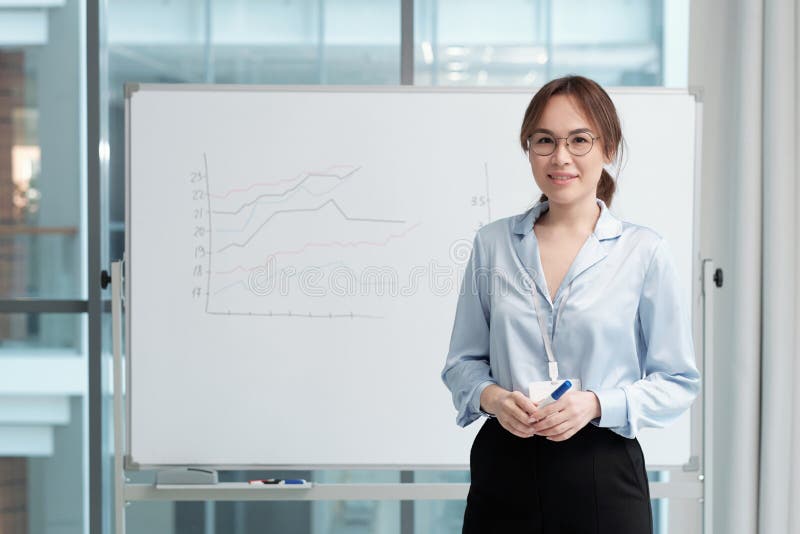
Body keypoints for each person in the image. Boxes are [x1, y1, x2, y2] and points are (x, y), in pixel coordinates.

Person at [441, 75, 701, 534]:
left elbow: (677, 381)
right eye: (545, 141)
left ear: (608, 147)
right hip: (506, 465)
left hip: (601, 468)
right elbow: (462, 362)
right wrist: (495, 398)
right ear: (529, 150)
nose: (560, 157)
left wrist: (598, 404)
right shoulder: (493, 245)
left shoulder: (643, 251)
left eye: (579, 140)